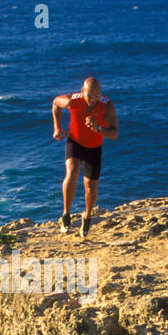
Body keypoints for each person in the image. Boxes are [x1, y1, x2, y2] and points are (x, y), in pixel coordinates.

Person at [51, 77, 118, 238]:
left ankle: (87, 217)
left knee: (91, 187)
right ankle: (66, 215)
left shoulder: (106, 105)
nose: (94, 99)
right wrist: (57, 127)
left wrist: (99, 129)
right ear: (82, 92)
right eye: (90, 96)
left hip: (94, 148)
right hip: (74, 142)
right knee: (72, 171)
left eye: (97, 95)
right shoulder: (72, 101)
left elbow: (114, 133)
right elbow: (55, 103)